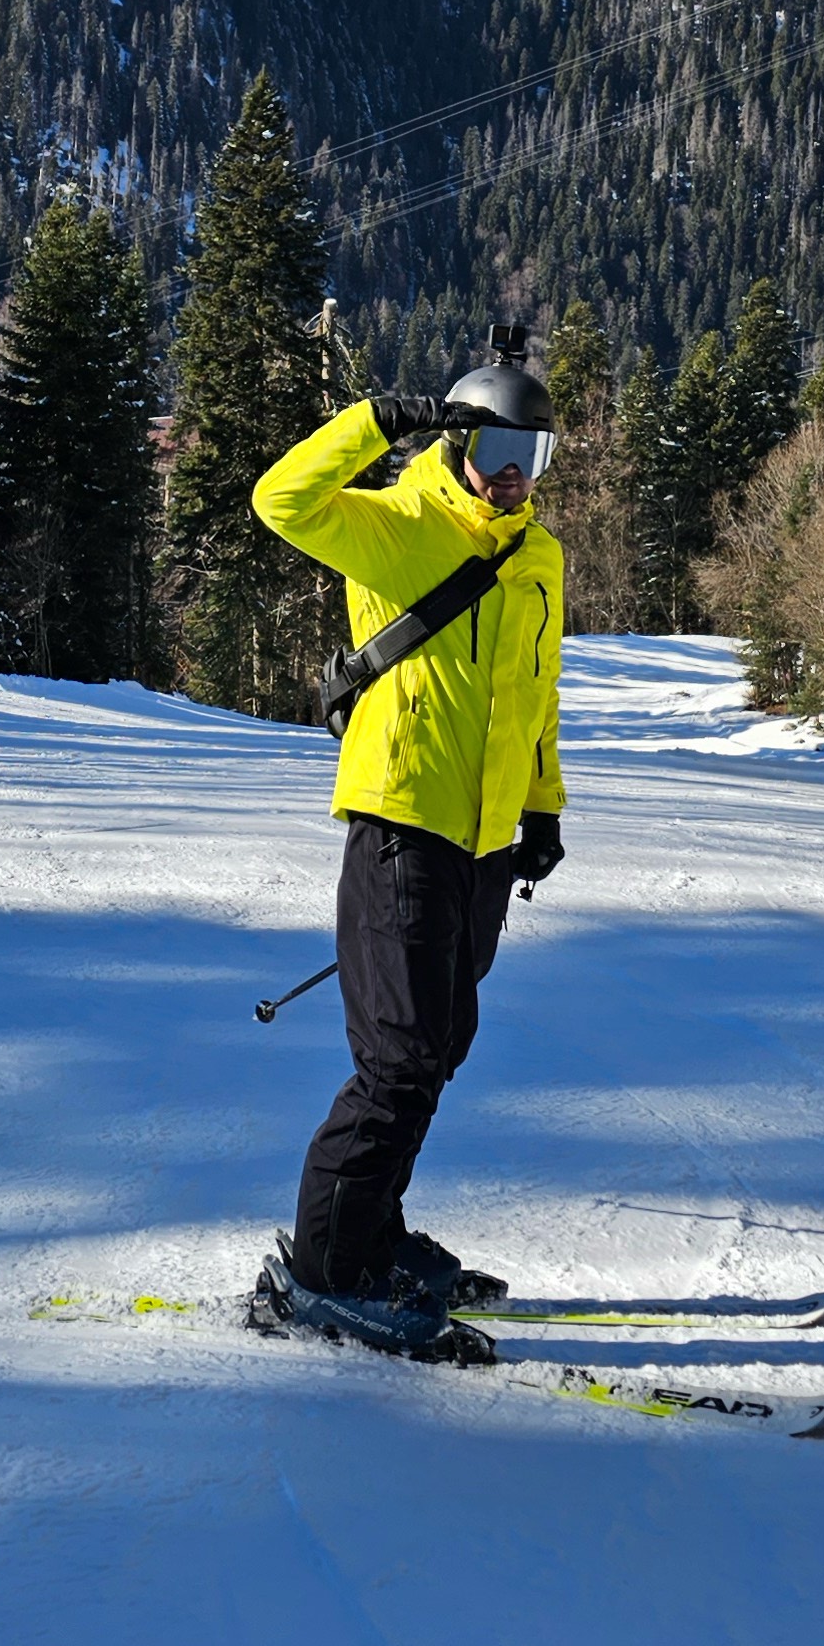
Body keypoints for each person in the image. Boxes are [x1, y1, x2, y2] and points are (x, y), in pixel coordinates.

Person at [245, 330, 566, 1360]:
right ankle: (323, 1276)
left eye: (538, 454)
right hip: (399, 823)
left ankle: (370, 1235)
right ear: (462, 440)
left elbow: (535, 698)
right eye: (502, 448)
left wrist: (542, 808)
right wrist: (375, 423)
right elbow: (280, 501)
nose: (518, 474)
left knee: (440, 1046)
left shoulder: (537, 557)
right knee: (397, 1060)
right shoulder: (397, 526)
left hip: (481, 843)